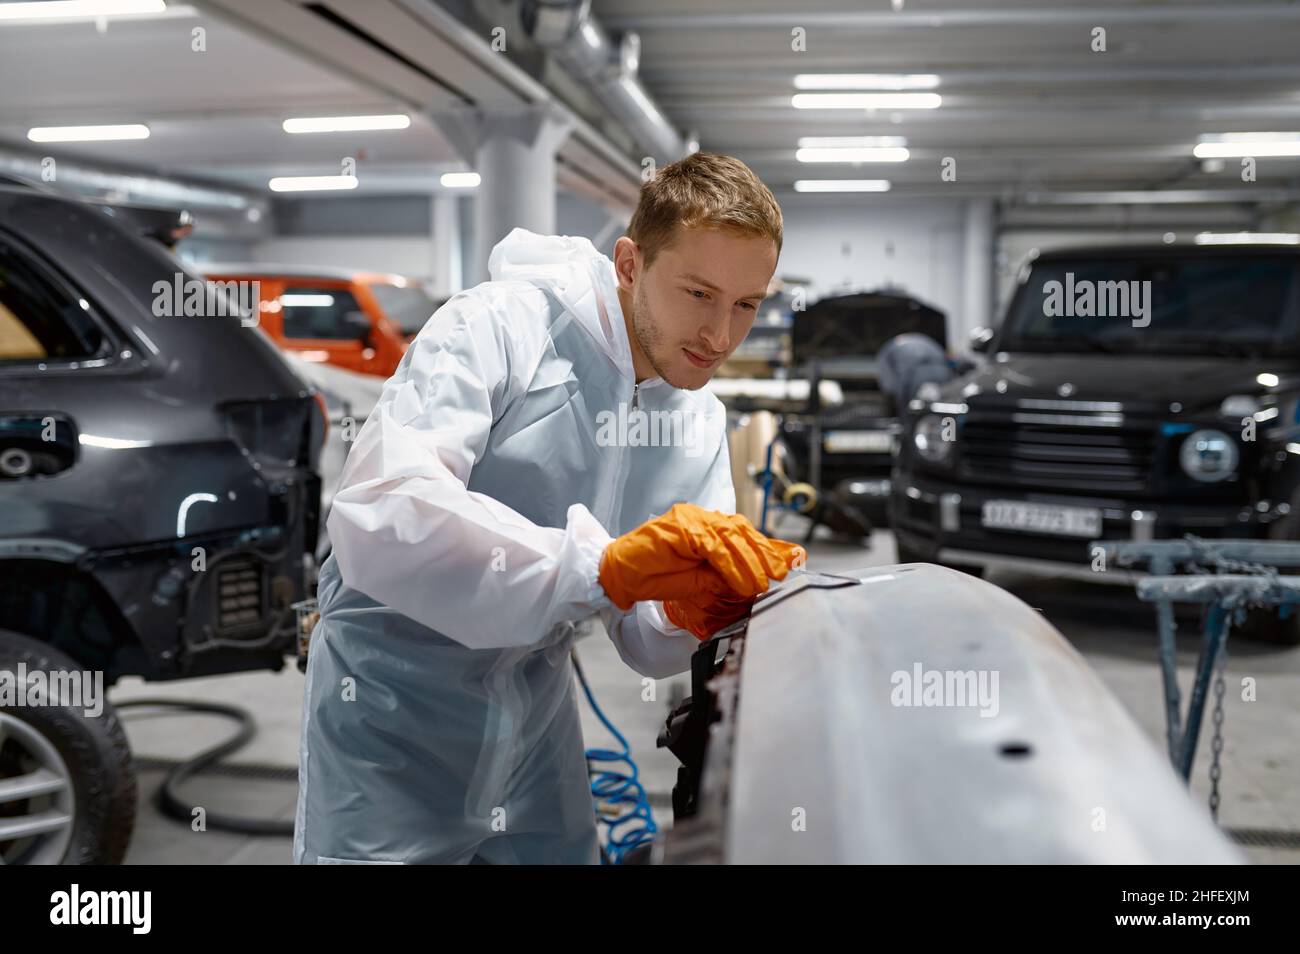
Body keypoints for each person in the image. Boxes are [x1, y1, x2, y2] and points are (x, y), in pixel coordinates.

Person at [293, 152, 802, 864]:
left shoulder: (696, 419)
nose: (720, 335)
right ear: (629, 263)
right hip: (390, 709)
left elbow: (645, 640)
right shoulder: (499, 327)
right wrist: (604, 566)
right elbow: (384, 513)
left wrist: (698, 606)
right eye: (698, 293)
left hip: (534, 714)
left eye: (746, 304)